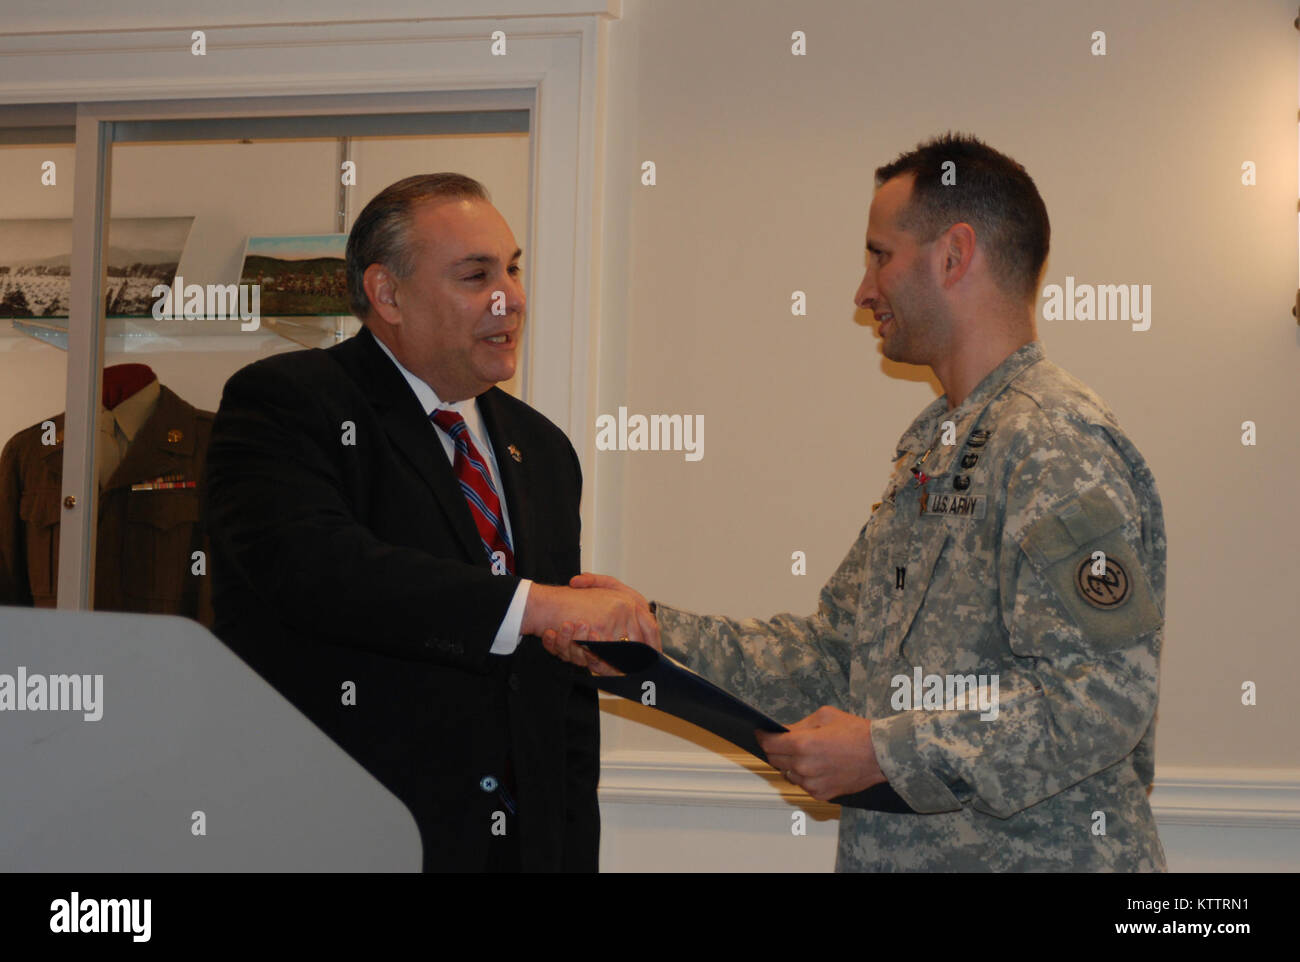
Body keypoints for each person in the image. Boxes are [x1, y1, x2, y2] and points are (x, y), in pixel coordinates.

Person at [545, 134, 1167, 872]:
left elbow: (1099, 698)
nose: (863, 290)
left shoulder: (1052, 439)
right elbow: (834, 655)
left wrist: (882, 750)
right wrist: (650, 635)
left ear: (953, 254)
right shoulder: (937, 448)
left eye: (879, 255)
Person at [205, 173, 654, 872]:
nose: (512, 297)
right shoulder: (290, 402)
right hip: (347, 840)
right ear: (386, 294)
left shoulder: (542, 448)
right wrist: (535, 606)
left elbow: (560, 700)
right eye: (476, 275)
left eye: (512, 269)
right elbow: (322, 572)